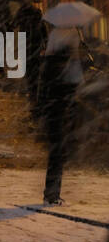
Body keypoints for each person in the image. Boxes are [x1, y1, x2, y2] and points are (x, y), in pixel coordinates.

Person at [38, 26, 84, 204]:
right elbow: (68, 88)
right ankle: (52, 194)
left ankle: (52, 192)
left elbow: (43, 90)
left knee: (57, 152)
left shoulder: (51, 61)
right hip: (59, 112)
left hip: (54, 111)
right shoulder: (64, 64)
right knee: (58, 153)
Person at [11, 0, 47, 112]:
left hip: (25, 43)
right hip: (35, 43)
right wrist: (45, 43)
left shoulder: (22, 12)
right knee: (35, 68)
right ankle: (34, 94)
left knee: (28, 68)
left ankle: (32, 93)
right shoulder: (37, 12)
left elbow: (13, 25)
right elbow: (43, 28)